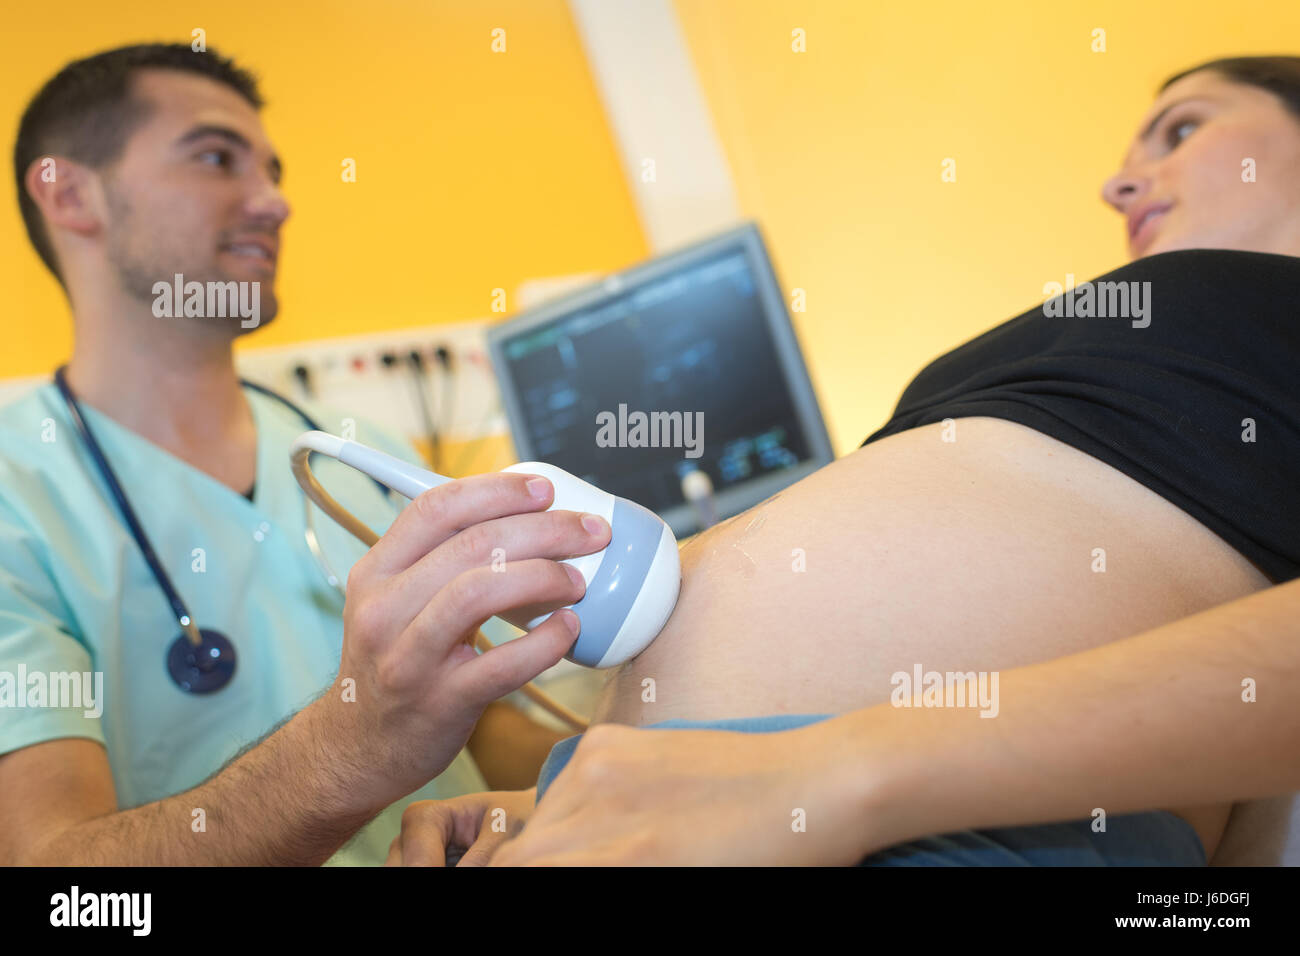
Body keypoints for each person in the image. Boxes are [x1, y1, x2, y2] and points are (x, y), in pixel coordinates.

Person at [386, 55, 1300, 866]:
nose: (1117, 185)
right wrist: (558, 800)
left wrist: (822, 776)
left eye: (1184, 129)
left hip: (939, 818)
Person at [0, 43, 610, 865]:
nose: (275, 203)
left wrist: (603, 778)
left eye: (274, 170)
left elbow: (480, 718)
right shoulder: (17, 499)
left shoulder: (363, 458)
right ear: (69, 192)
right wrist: (353, 750)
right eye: (217, 158)